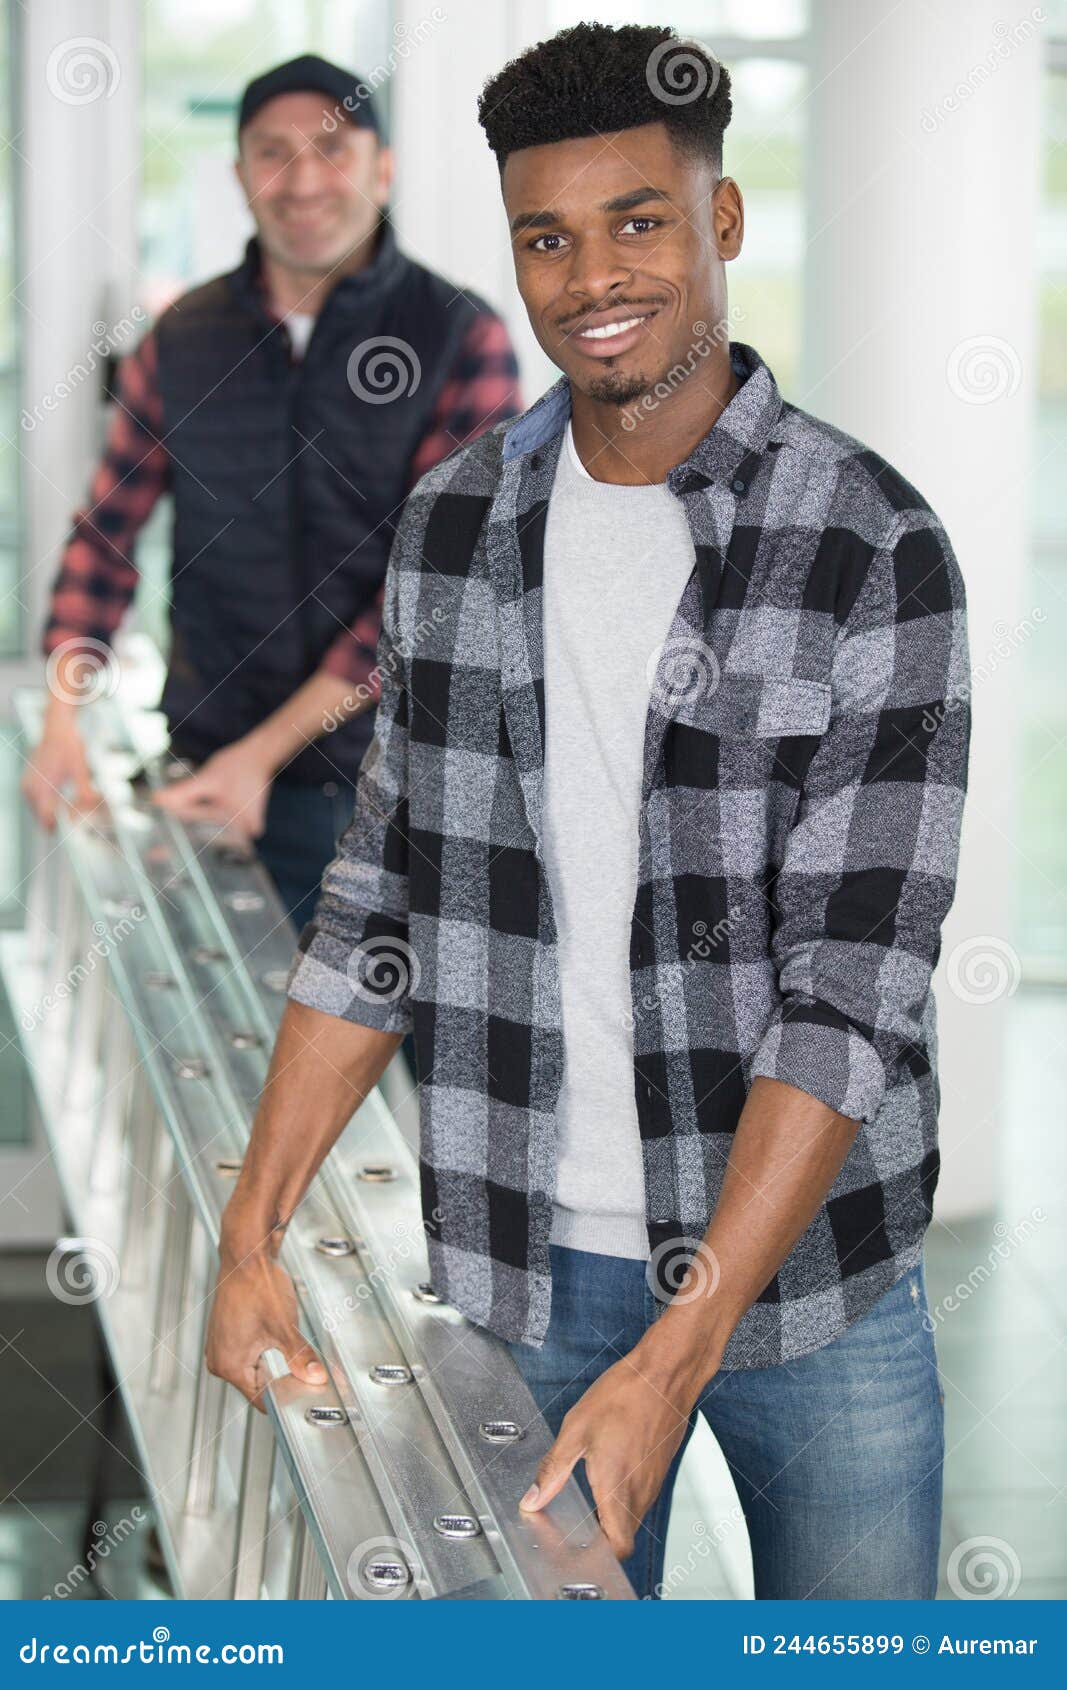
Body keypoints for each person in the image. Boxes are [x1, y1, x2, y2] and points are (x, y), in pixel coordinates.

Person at [204, 23, 970, 1601]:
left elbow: (850, 989)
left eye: (637, 222)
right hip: (523, 1269)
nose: (592, 276)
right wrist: (248, 1233)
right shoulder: (455, 524)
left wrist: (678, 1350)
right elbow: (374, 904)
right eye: (546, 238)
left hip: (811, 1287)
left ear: (721, 221)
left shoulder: (866, 543)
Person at [23, 53, 520, 930]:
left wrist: (262, 755)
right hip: (206, 769)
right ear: (239, 176)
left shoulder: (458, 335)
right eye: (271, 153)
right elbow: (105, 539)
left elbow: (434, 595)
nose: (301, 181)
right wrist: (64, 722)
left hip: (390, 789)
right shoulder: (182, 337)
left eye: (331, 149)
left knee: (380, 1015)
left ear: (382, 169)